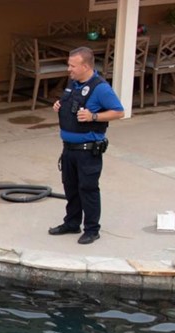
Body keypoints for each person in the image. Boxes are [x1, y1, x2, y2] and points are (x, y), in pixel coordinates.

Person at [48, 47, 124, 245]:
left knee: (88, 189)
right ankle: (72, 222)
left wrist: (94, 116)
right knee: (70, 187)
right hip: (68, 149)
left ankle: (92, 229)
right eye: (69, 65)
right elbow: (69, 105)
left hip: (87, 150)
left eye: (73, 66)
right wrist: (59, 105)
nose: (69, 69)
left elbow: (119, 112)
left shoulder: (101, 88)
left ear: (86, 66)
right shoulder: (72, 84)